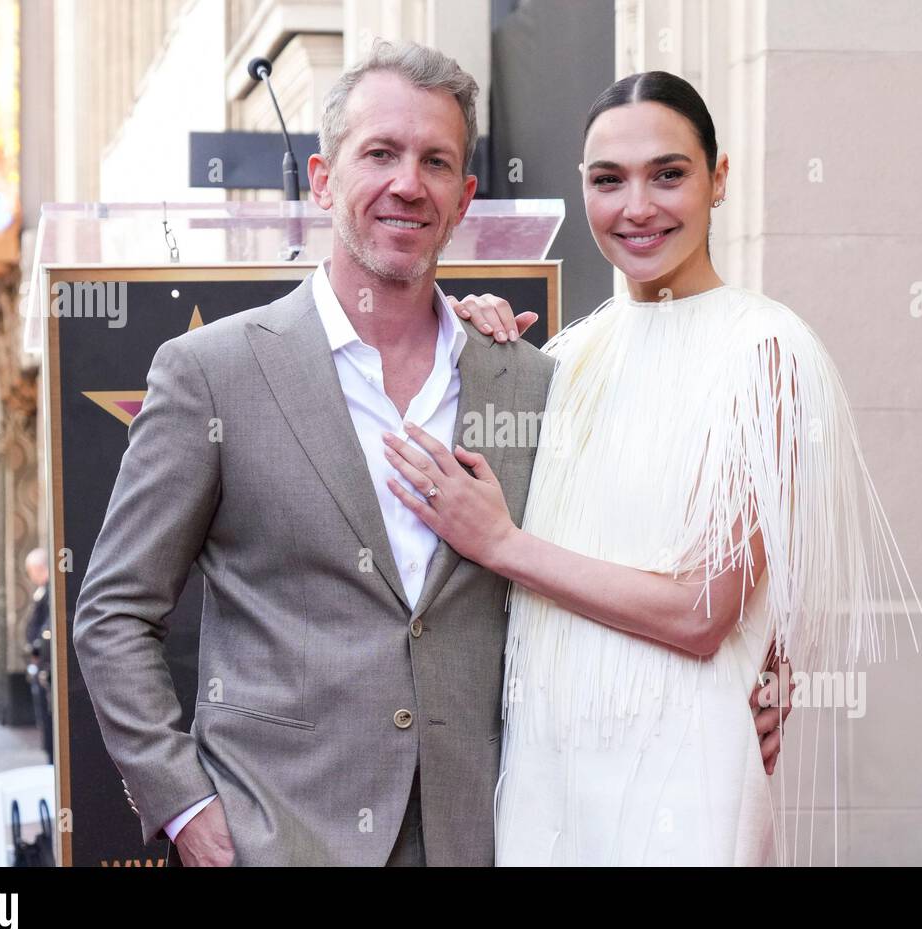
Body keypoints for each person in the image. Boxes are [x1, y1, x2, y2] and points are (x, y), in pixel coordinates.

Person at [383, 70, 922, 865]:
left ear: (719, 180)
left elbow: (702, 614)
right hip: (543, 769)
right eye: (609, 181)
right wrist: (468, 340)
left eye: (668, 174)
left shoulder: (763, 350)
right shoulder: (567, 358)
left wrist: (500, 542)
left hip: (686, 775)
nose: (636, 207)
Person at [72, 40, 564, 866]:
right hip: (280, 839)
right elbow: (114, 613)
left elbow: (584, 584)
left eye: (435, 162)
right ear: (323, 178)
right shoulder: (214, 373)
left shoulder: (525, 382)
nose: (408, 183)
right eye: (380, 153)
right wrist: (186, 807)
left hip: (480, 836)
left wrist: (739, 687)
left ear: (464, 197)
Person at [23, 548, 53, 763]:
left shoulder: (51, 591)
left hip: (47, 665)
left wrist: (37, 650)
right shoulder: (44, 590)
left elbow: (46, 630)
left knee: (51, 720)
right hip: (40, 664)